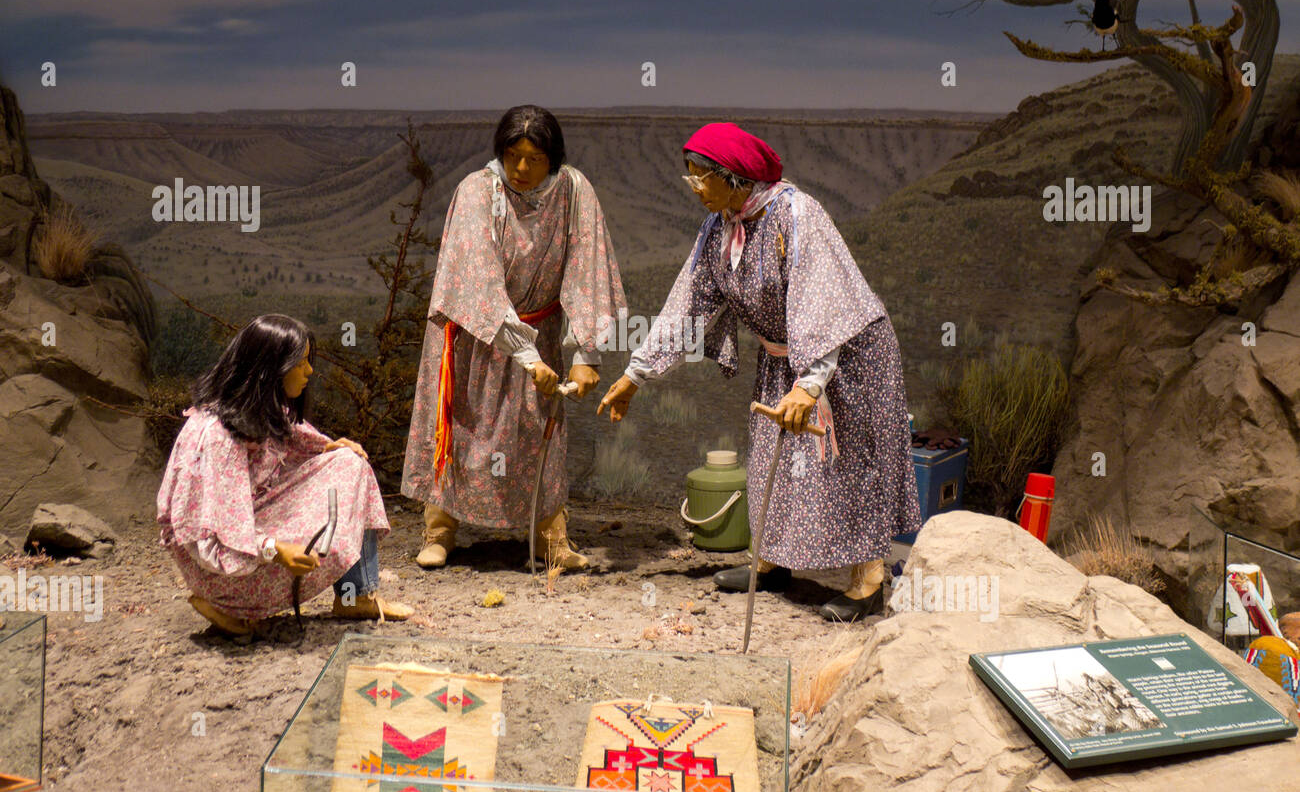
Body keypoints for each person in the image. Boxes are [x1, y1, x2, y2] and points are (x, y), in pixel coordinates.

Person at [597, 123, 921, 621]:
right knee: (778, 453)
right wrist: (635, 375)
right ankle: (770, 562)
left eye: (702, 177)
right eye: (690, 178)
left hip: (846, 358)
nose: (696, 188)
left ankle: (869, 581)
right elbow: (688, 303)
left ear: (737, 179)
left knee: (845, 463)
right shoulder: (720, 227)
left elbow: (822, 303)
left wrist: (812, 383)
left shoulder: (797, 216)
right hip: (784, 357)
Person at [402, 105, 626, 571]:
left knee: (536, 432)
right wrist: (522, 352)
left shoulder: (574, 191)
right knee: (462, 429)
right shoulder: (477, 192)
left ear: (554, 159)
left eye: (535, 159)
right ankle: (440, 527)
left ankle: (550, 536)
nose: (521, 169)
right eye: (512, 155)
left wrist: (586, 354)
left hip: (539, 333)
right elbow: (477, 280)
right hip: (475, 335)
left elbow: (589, 268)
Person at [157, 314, 412, 635]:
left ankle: (355, 596)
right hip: (223, 570)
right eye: (301, 362)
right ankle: (230, 606)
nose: (310, 371)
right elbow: (213, 537)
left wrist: (331, 446)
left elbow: (293, 435)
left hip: (249, 527)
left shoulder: (257, 407)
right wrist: (276, 550)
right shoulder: (218, 437)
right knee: (327, 533)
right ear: (270, 369)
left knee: (350, 463)